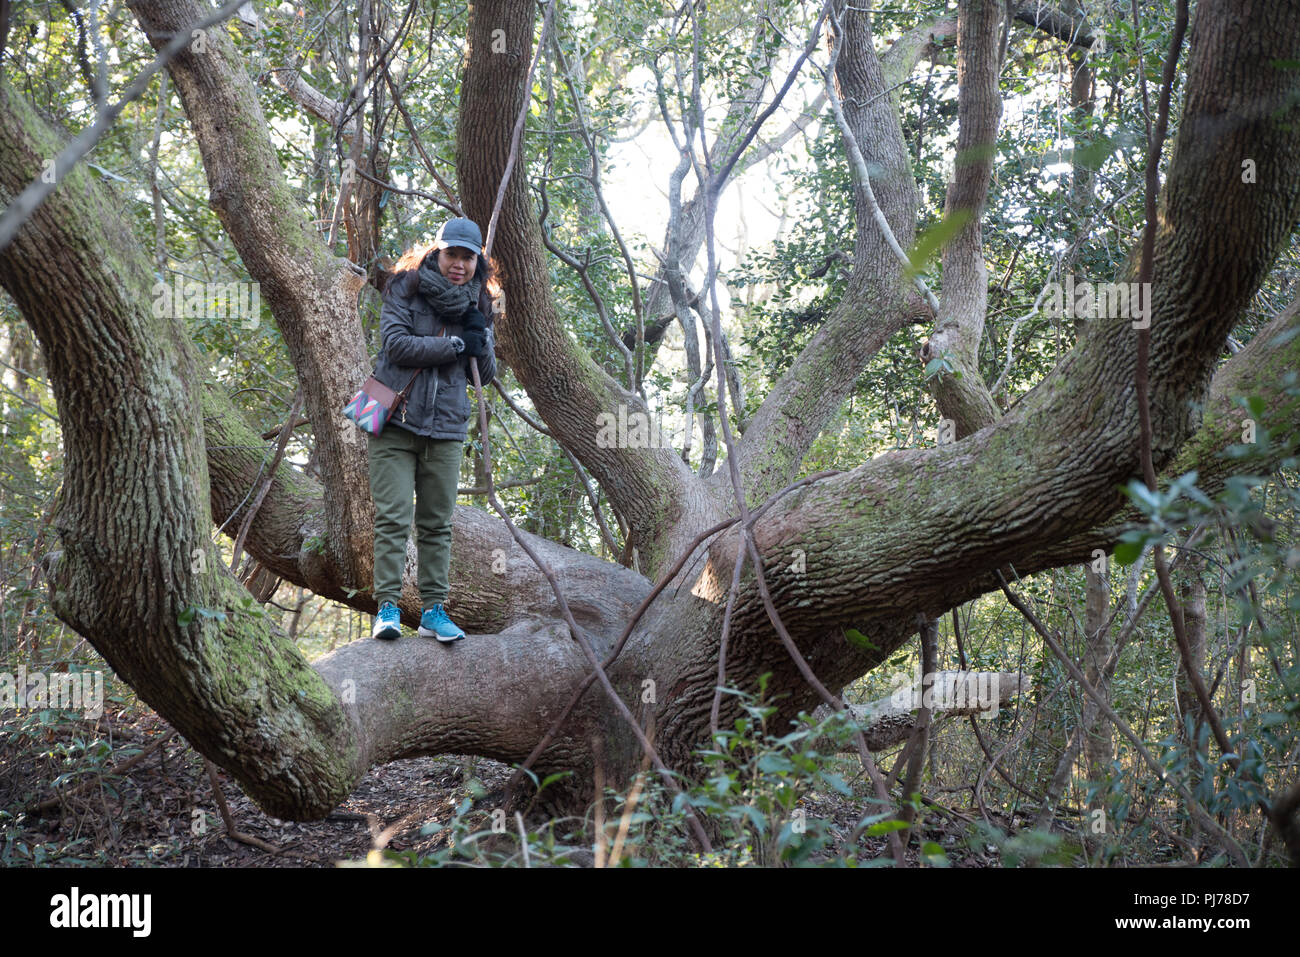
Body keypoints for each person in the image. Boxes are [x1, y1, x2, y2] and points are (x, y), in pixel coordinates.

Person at [367, 217, 496, 642]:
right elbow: (396, 345)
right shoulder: (405, 288)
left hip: (445, 429)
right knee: (393, 516)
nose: (458, 264)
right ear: (436, 254)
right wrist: (455, 345)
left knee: (438, 523)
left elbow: (486, 374)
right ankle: (386, 607)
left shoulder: (480, 304)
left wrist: (482, 336)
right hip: (394, 419)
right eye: (451, 254)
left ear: (478, 262)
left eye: (467, 257)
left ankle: (432, 613)